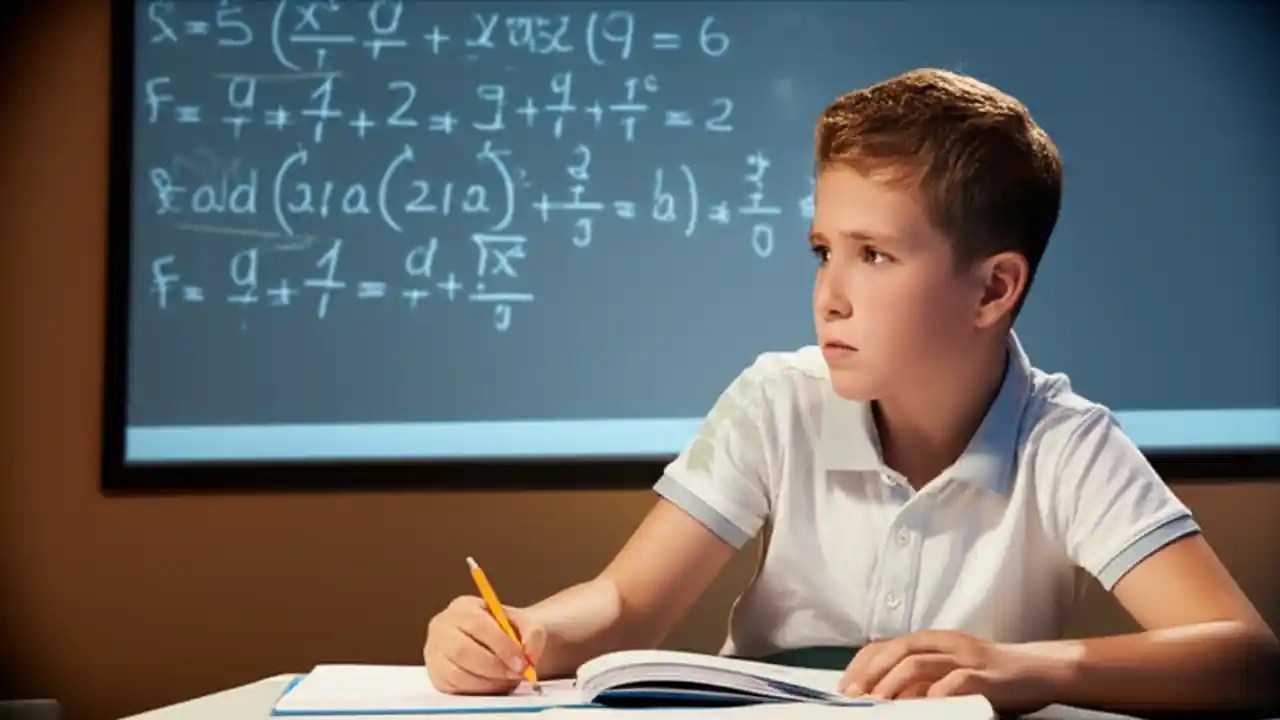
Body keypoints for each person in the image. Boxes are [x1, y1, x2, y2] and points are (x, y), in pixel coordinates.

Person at [422, 68, 1279, 714]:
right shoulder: (777, 398)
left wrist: (1022, 668)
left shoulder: (1066, 444)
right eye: (822, 250)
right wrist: (535, 630)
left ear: (992, 290)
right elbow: (627, 603)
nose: (829, 293)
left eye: (874, 255)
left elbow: (1247, 657)